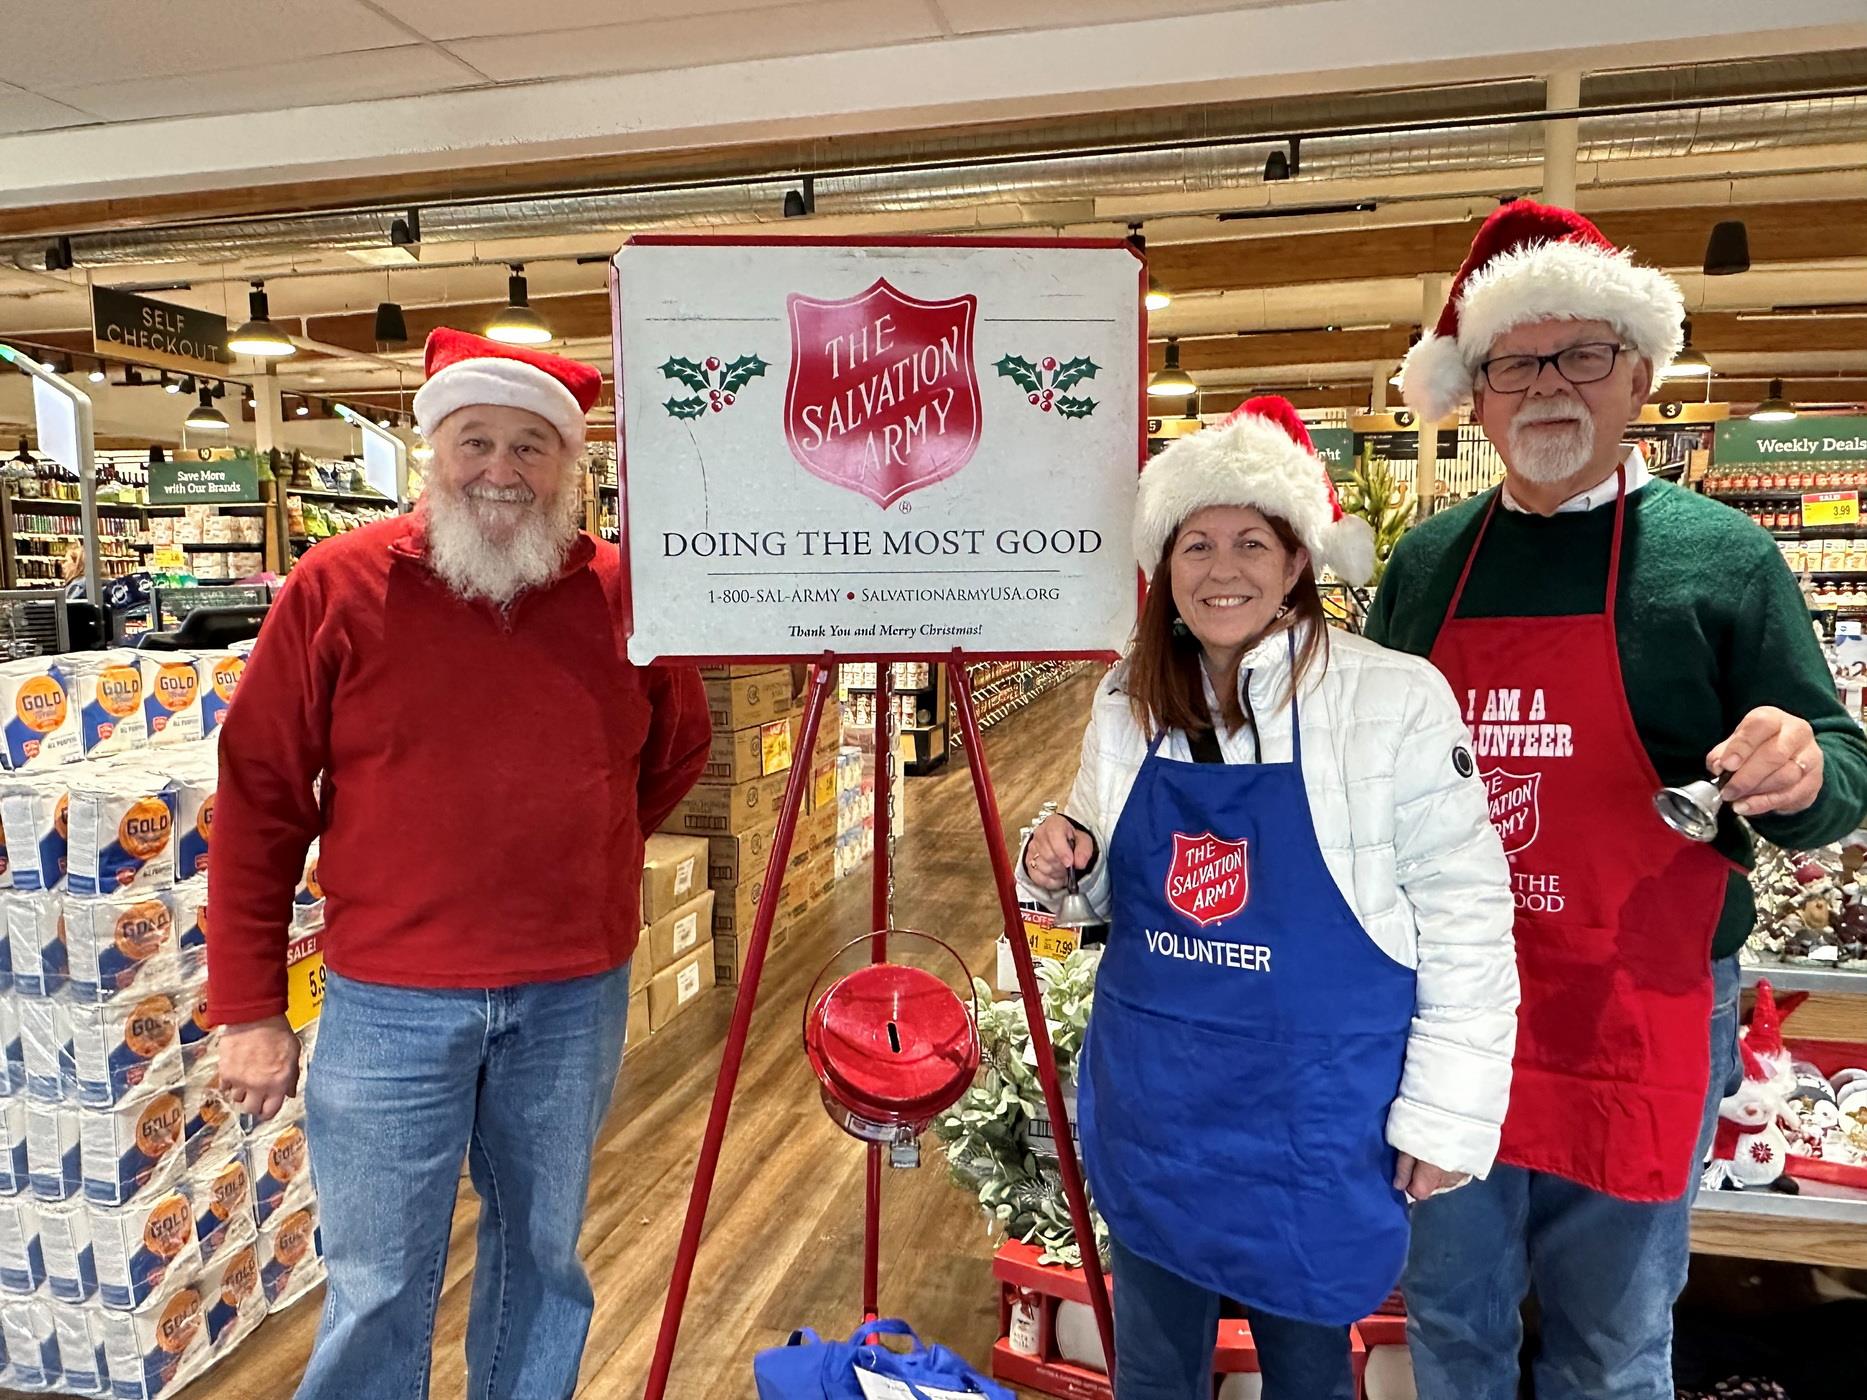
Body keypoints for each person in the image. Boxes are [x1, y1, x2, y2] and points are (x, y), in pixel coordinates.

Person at [1373, 199, 1867, 1400]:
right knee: (1451, 1324)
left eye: (1581, 353)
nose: (1548, 386)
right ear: (1476, 392)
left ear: (1638, 372)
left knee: (1613, 1345)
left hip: (1637, 1003)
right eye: (1513, 362)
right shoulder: (1427, 563)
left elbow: (1840, 764)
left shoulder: (1720, 558)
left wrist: (1801, 770)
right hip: (1448, 1013)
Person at [207, 328, 711, 1400]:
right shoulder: (335, 586)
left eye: (531, 446)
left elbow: (676, 748)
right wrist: (247, 1005)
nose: (499, 469)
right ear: (430, 452)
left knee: (542, 1256)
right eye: (474, 439)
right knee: (379, 1276)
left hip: (571, 990)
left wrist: (585, 851)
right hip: (387, 994)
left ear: (569, 468)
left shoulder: (625, 595)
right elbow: (260, 794)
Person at [1019, 396, 1519, 1400]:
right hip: (1160, 1099)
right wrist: (1055, 866)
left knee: (1307, 1369)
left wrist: (1446, 1115)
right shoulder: (1127, 698)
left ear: (1297, 560)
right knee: (1152, 1368)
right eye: (1194, 543)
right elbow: (1100, 886)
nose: (1222, 568)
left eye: (1252, 539)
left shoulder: (1392, 700)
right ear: (1165, 569)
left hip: (1314, 1116)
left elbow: (1466, 917)